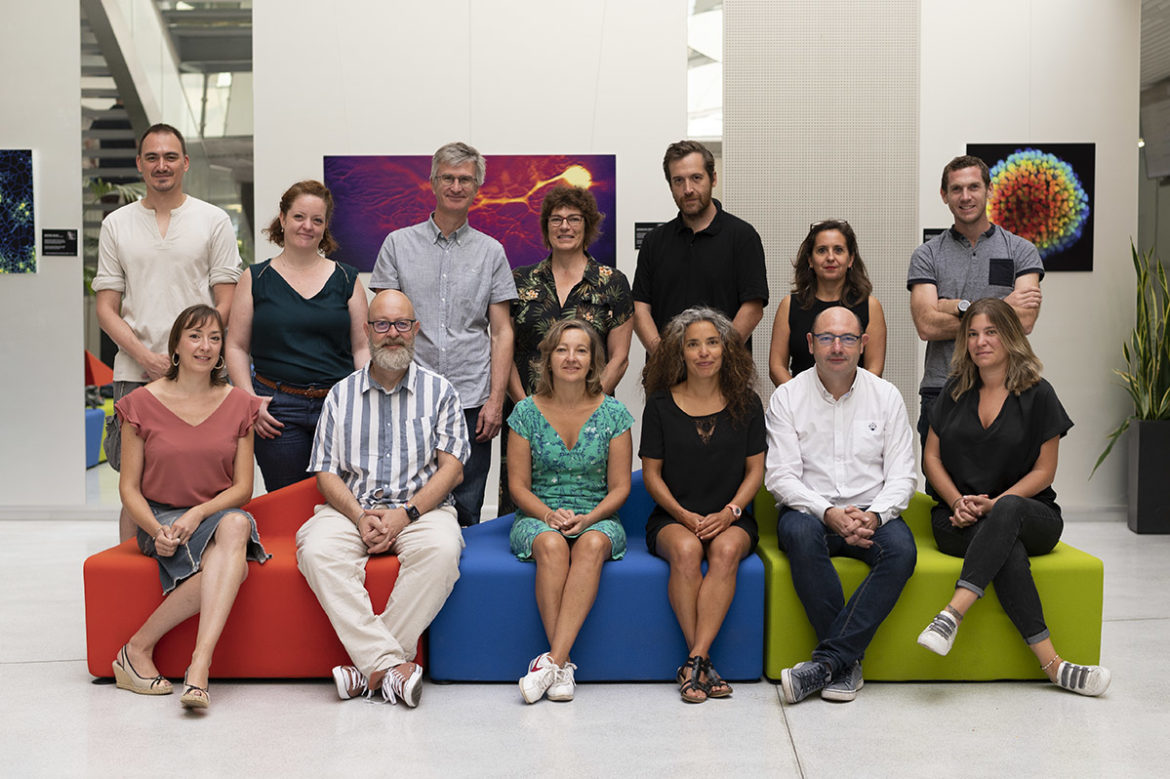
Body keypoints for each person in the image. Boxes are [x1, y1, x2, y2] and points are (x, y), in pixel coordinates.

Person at [916, 298, 1110, 696]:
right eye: (971, 333)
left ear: (1010, 336)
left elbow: (1044, 471)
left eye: (990, 332)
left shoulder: (1039, 394)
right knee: (1007, 552)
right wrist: (956, 501)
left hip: (1031, 514)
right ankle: (1054, 666)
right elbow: (930, 458)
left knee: (1007, 513)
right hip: (957, 520)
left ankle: (953, 613)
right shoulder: (953, 390)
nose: (979, 342)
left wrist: (996, 503)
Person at [296, 290, 470, 709]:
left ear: (416, 330)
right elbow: (325, 471)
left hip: (421, 508)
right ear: (367, 330)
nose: (393, 334)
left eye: (402, 324)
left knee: (444, 549)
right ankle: (389, 666)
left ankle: (367, 669)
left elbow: (453, 468)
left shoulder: (440, 391)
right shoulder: (341, 394)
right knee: (315, 549)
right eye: (382, 324)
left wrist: (405, 515)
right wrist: (358, 516)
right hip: (352, 507)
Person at [111, 305, 269, 711]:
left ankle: (199, 666)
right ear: (177, 345)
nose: (206, 346)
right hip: (157, 517)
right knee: (233, 552)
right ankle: (138, 649)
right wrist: (156, 528)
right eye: (195, 336)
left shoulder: (238, 404)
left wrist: (198, 514)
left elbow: (243, 488)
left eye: (215, 338)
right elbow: (128, 488)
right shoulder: (140, 403)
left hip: (212, 514)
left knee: (234, 525)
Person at [94, 122, 243, 542]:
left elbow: (225, 302)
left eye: (171, 156)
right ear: (140, 164)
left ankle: (202, 571)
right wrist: (148, 359)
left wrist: (191, 359)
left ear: (186, 163)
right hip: (135, 374)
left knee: (207, 480)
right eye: (153, 157)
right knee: (134, 488)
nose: (162, 165)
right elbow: (106, 309)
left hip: (201, 376)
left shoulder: (212, 220)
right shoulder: (116, 224)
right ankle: (131, 588)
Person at [765, 306, 917, 705]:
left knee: (901, 552)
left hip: (872, 510)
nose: (838, 347)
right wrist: (827, 512)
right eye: (828, 338)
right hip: (810, 511)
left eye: (848, 338)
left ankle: (828, 663)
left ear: (863, 344)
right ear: (810, 344)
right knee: (799, 533)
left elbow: (903, 475)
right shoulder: (787, 397)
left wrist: (874, 515)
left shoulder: (886, 396)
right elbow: (780, 477)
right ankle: (844, 664)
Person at [370, 141, 516, 526]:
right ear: (432, 182)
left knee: (467, 506)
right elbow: (381, 327)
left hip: (472, 400)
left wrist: (495, 400)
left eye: (465, 179)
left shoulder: (492, 252)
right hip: (408, 395)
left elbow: (501, 332)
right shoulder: (398, 245)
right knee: (408, 499)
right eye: (448, 178)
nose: (456, 186)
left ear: (477, 187)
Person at [640, 307, 765, 703]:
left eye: (712, 342)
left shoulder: (747, 403)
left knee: (726, 550)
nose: (704, 352)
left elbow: (755, 472)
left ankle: (694, 661)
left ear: (726, 349)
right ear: (681, 352)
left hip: (732, 516)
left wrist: (730, 512)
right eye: (693, 344)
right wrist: (683, 515)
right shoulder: (659, 405)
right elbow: (652, 475)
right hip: (674, 517)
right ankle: (703, 666)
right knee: (687, 548)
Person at [508, 319, 633, 704]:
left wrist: (590, 518)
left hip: (599, 516)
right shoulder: (525, 413)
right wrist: (547, 516)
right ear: (547, 359)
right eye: (562, 349)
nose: (571, 358)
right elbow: (517, 487)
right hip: (537, 514)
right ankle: (560, 670)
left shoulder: (614, 413)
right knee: (552, 546)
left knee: (592, 545)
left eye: (581, 350)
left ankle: (554, 662)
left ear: (594, 361)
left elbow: (621, 488)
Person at [226, 180, 370, 492]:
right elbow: (236, 346)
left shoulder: (347, 279)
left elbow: (362, 349)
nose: (307, 226)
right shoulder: (255, 278)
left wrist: (362, 403)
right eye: (299, 217)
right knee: (286, 502)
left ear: (325, 226)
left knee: (339, 503)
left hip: (337, 407)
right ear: (282, 218)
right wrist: (249, 399)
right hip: (276, 410)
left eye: (317, 220)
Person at [502, 185, 633, 513]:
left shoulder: (611, 282)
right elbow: (504, 349)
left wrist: (589, 406)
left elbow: (619, 357)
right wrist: (528, 411)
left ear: (587, 226)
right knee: (521, 509)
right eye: (556, 220)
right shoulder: (520, 281)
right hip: (526, 413)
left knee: (587, 512)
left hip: (592, 422)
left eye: (574, 219)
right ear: (546, 227)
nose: (565, 226)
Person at [908, 154, 1044, 447]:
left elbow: (1025, 321)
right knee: (941, 491)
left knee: (1003, 489)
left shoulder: (1021, 251)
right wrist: (1000, 308)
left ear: (989, 190)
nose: (965, 196)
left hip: (1007, 387)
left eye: (973, 187)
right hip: (942, 387)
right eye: (956, 189)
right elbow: (926, 326)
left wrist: (952, 305)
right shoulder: (926, 255)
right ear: (944, 195)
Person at [632, 140, 768, 355]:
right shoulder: (654, 242)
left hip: (725, 374)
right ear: (670, 186)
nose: (688, 189)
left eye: (696, 178)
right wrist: (663, 359)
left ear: (713, 179)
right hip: (666, 379)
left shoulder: (742, 236)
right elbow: (640, 309)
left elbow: (752, 308)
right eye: (678, 181)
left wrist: (715, 358)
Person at [769, 219, 886, 385]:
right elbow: (776, 367)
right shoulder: (789, 305)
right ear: (810, 260)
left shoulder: (871, 306)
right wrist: (797, 399)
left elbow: (874, 370)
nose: (830, 258)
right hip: (801, 407)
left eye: (838, 250)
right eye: (822, 250)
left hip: (855, 405)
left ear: (850, 259)